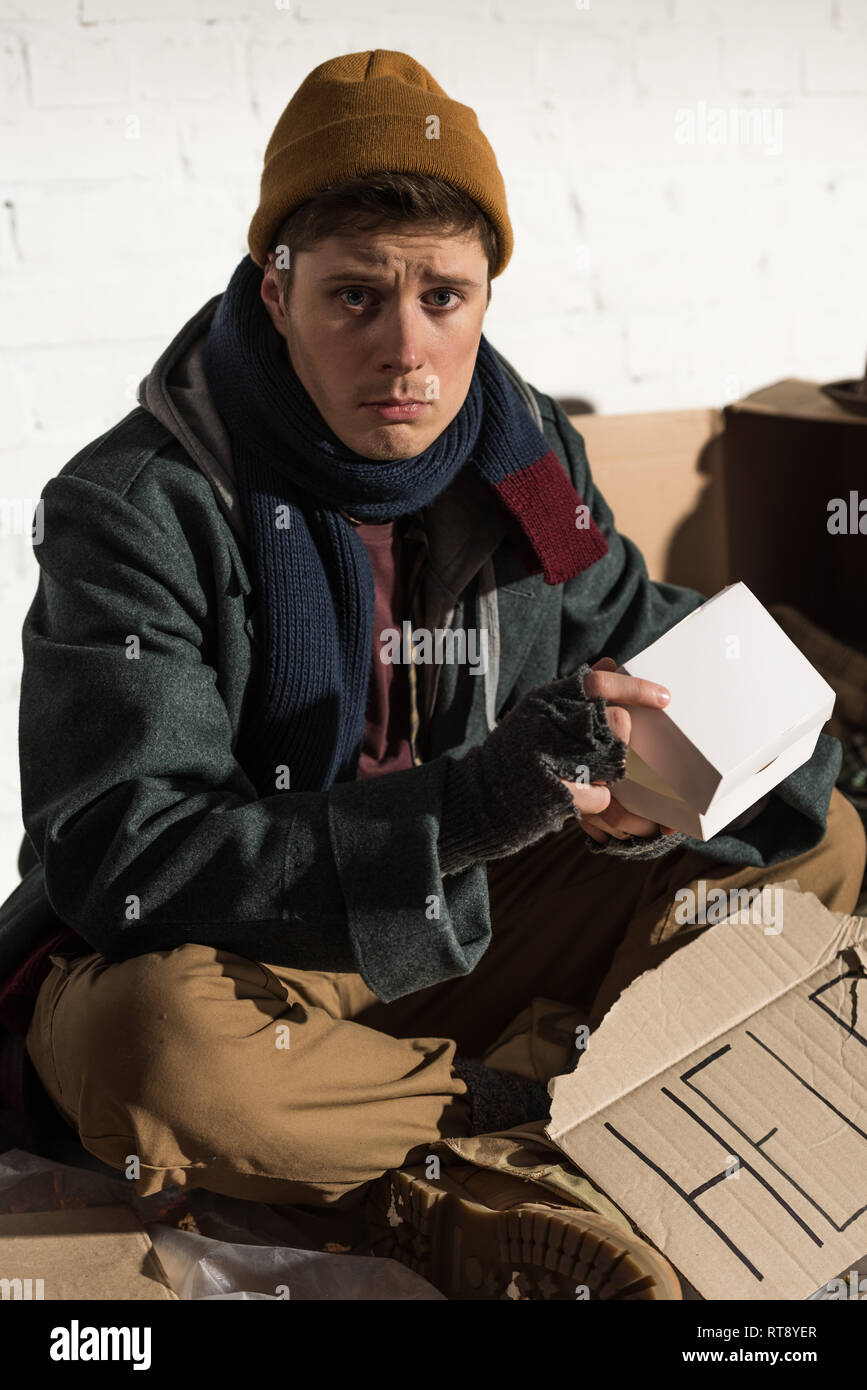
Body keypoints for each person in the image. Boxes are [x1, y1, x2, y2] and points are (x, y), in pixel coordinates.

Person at [0, 50, 863, 1302]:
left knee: (817, 838)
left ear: (486, 295)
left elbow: (621, 623)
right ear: (276, 290)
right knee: (161, 1052)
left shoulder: (526, 455)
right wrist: (467, 807)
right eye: (355, 298)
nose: (407, 352)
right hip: (248, 961)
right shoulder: (137, 508)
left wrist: (661, 775)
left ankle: (465, 1121)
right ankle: (527, 1132)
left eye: (443, 298)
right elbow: (124, 851)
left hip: (467, 915)